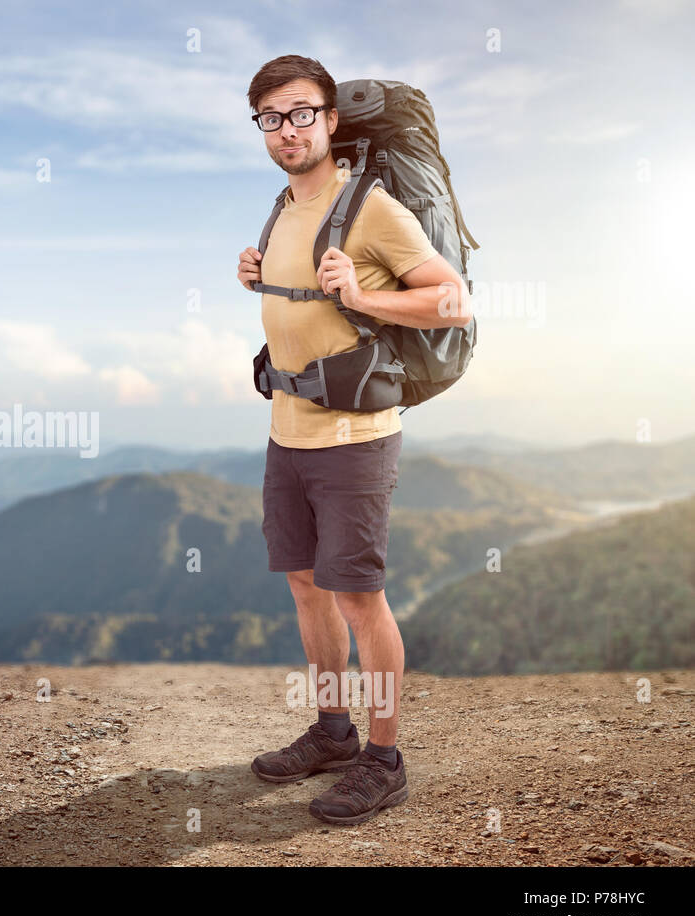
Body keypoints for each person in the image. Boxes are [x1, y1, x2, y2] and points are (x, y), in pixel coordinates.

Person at [236, 55, 472, 825]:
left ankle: (384, 758)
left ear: (331, 121)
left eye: (301, 113)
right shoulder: (280, 208)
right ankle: (333, 732)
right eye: (270, 118)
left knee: (361, 599)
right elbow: (299, 304)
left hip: (355, 438)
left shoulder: (370, 208)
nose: (287, 130)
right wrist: (256, 272)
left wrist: (362, 293)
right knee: (306, 585)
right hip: (287, 432)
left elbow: (451, 300)